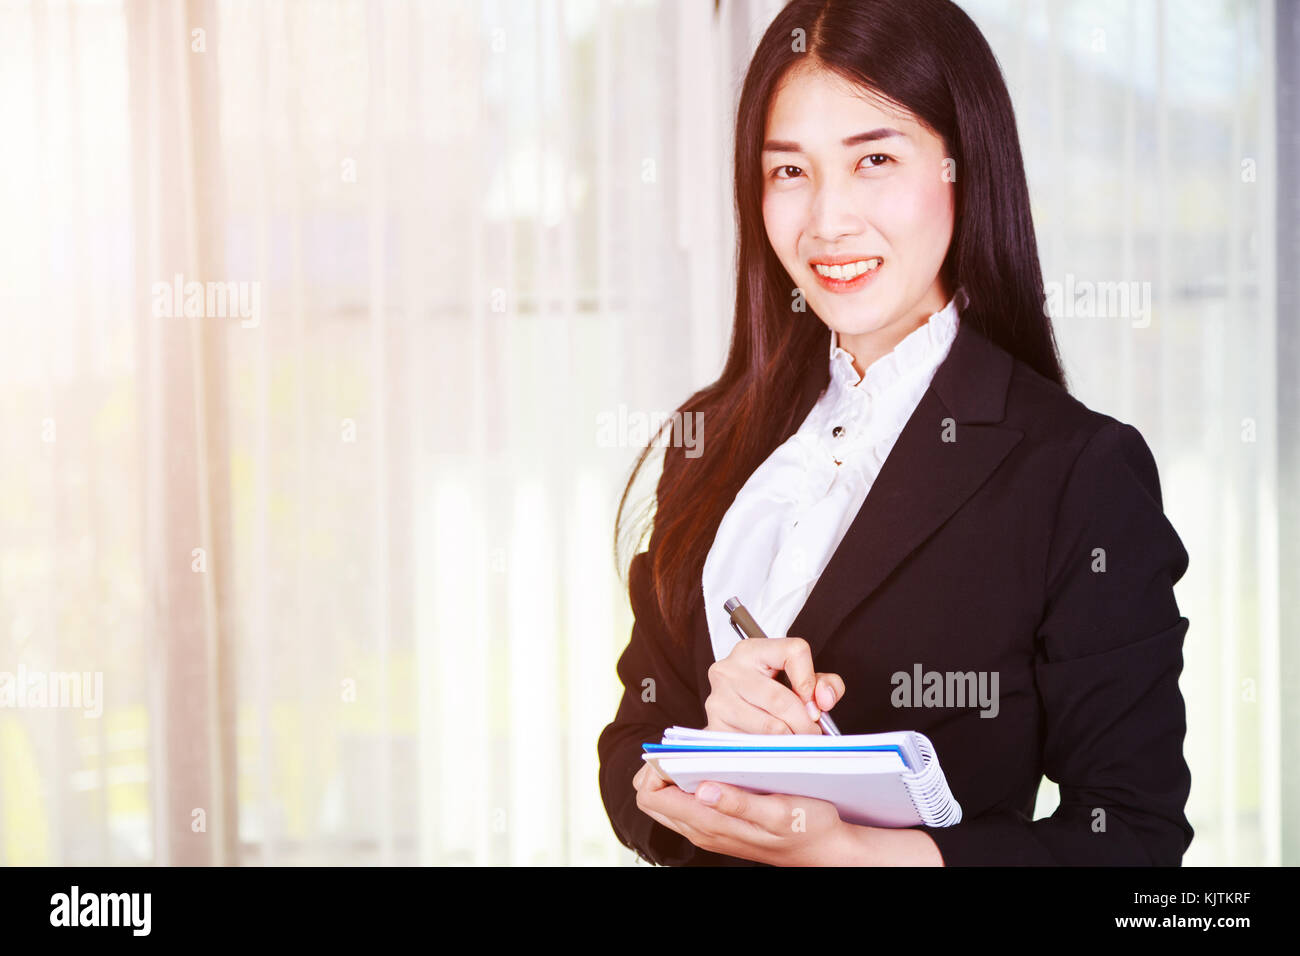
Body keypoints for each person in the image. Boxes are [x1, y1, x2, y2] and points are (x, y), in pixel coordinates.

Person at [597, 0, 1193, 866]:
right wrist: (687, 770)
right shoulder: (716, 434)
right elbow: (632, 745)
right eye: (789, 172)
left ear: (964, 166)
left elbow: (1134, 838)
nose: (828, 221)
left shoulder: (1077, 472)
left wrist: (853, 852)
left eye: (874, 159)